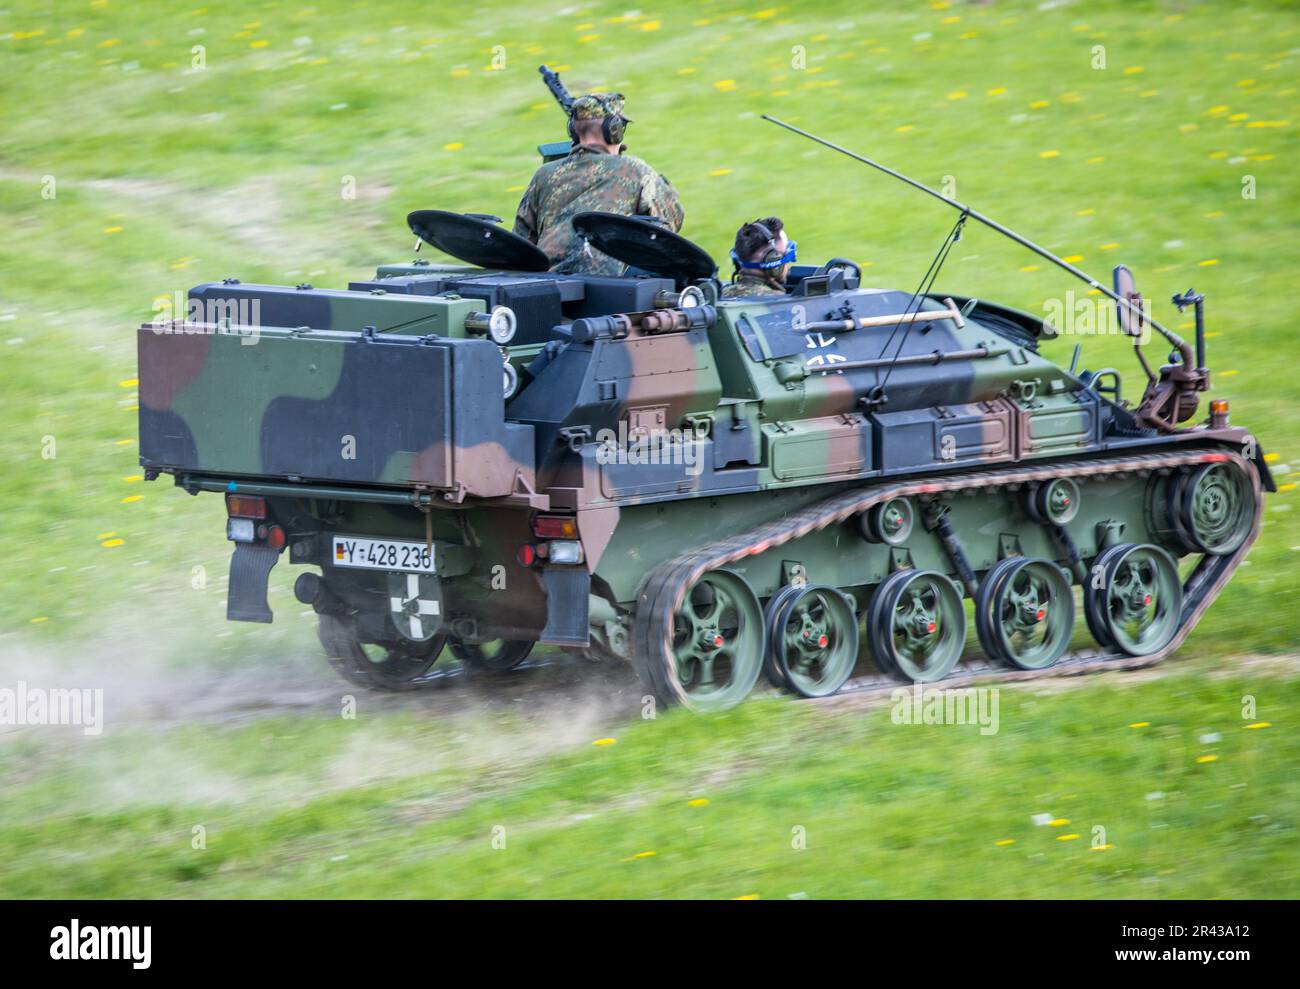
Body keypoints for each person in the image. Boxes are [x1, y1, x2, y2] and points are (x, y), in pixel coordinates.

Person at [513, 93, 684, 275]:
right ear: (615, 130)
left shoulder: (544, 174)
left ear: (573, 130)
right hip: (607, 288)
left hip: (549, 286)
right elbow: (671, 222)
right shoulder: (634, 170)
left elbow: (520, 242)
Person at [721, 217, 796, 297]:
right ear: (774, 261)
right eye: (787, 254)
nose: (788, 263)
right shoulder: (776, 300)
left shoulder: (721, 293)